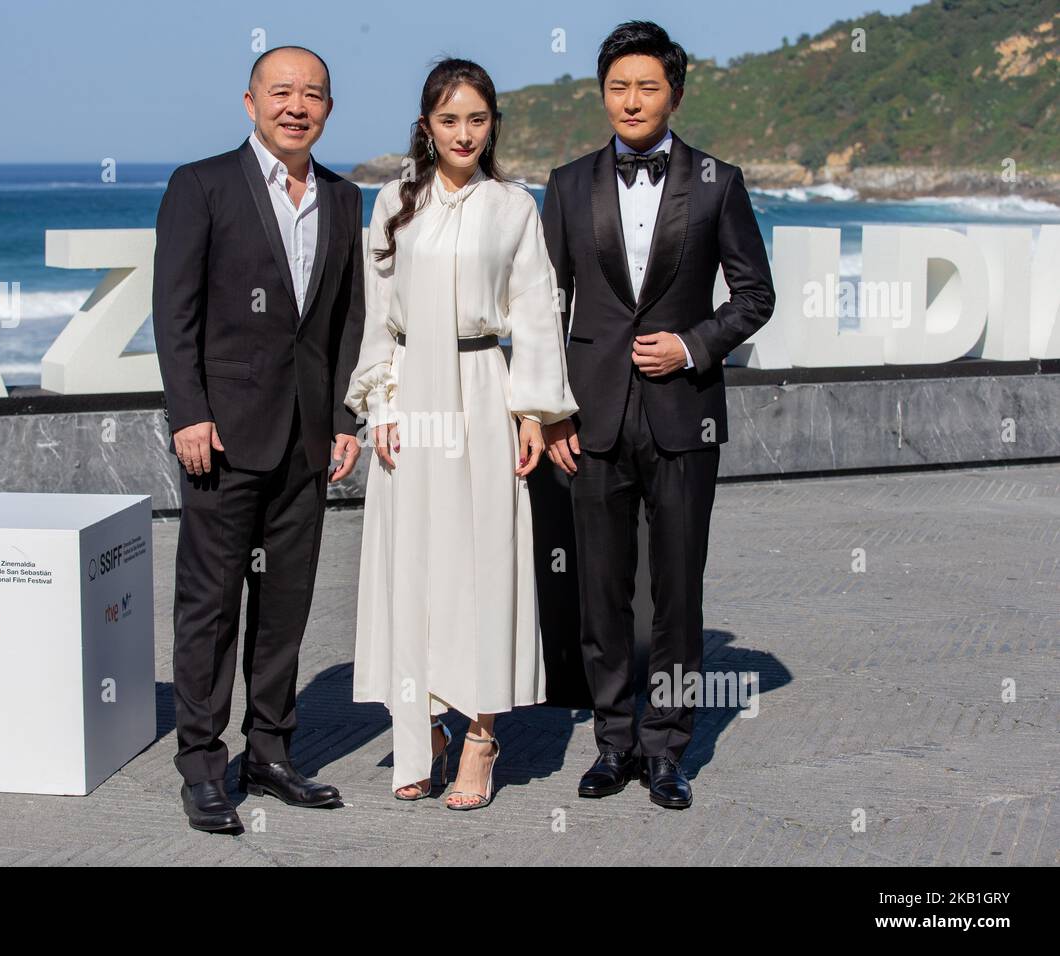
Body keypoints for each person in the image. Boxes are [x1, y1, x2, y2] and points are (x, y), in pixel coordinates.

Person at [540, 21, 775, 809]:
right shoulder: (567, 183)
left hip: (684, 419)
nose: (631, 100)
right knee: (601, 591)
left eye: (647, 86)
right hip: (592, 419)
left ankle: (667, 746)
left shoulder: (719, 181)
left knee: (677, 590)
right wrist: (550, 413)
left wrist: (693, 344)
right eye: (617, 86)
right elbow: (545, 307)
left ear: (676, 91)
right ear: (601, 93)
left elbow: (754, 297)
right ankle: (612, 743)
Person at [345, 58, 578, 810]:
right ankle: (420, 732)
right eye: (449, 119)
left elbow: (537, 311)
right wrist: (379, 403)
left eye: (477, 119)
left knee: (483, 564)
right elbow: (377, 312)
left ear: (493, 125)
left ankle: (479, 734)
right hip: (411, 391)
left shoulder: (513, 206)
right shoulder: (390, 204)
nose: (464, 133)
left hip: (482, 390)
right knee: (411, 565)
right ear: (426, 126)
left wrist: (536, 412)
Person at [152, 45, 365, 834]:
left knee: (285, 605)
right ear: (250, 103)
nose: (296, 106)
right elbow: (174, 311)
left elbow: (347, 321)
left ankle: (271, 753)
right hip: (223, 438)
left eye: (312, 95)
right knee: (208, 605)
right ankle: (202, 764)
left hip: (308, 439)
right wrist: (188, 413)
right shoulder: (200, 185)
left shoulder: (345, 200)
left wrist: (345, 419)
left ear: (328, 110)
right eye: (281, 92)